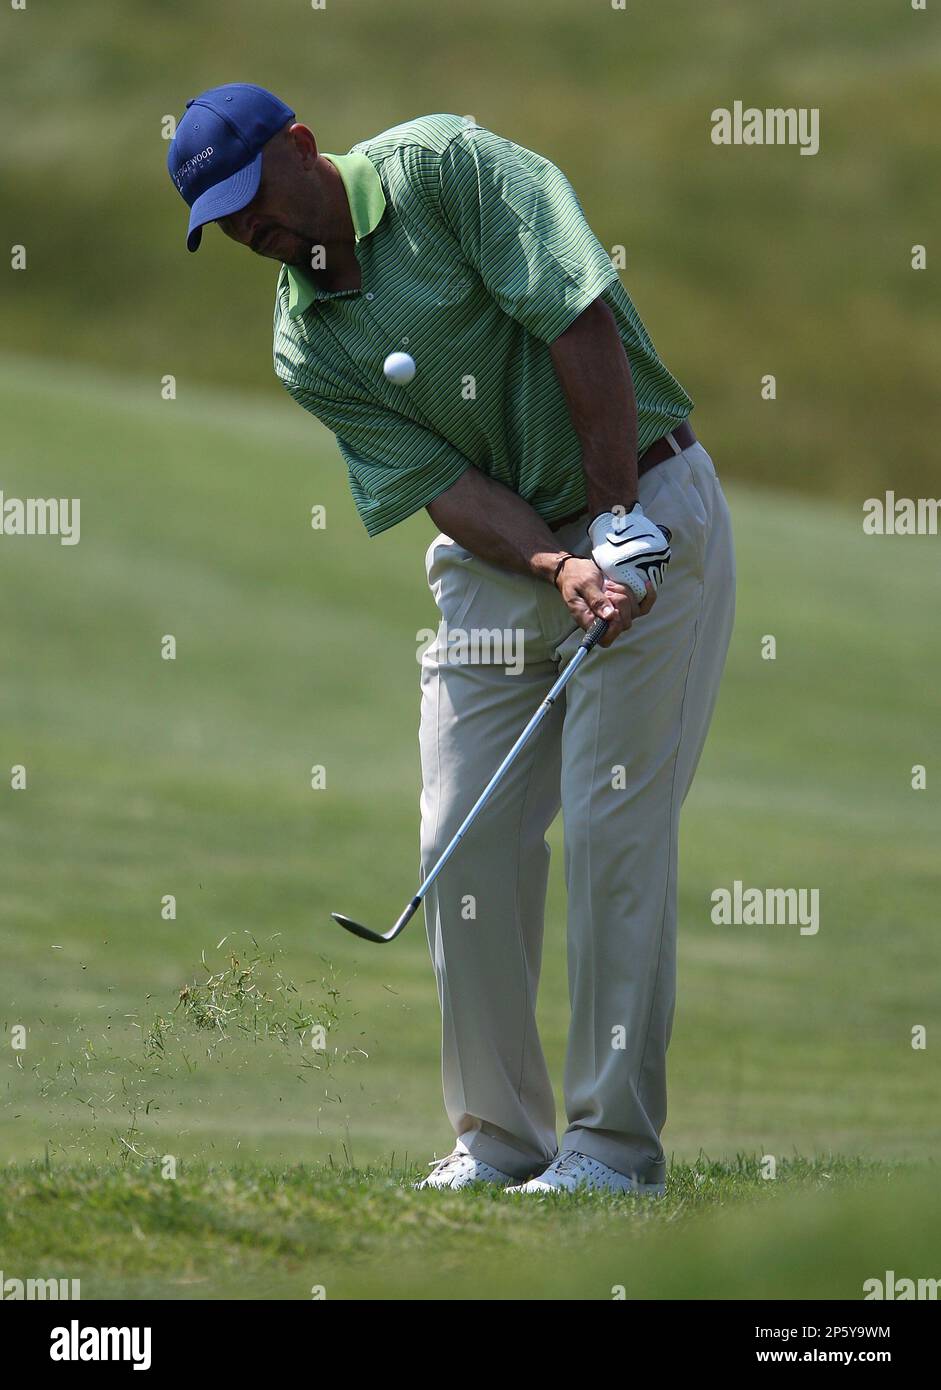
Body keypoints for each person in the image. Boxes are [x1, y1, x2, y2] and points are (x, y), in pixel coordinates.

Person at [168, 84, 735, 1195]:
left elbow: (576, 315)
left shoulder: (449, 170)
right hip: (507, 556)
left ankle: (610, 1152)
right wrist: (556, 563)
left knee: (615, 838)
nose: (250, 231)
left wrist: (614, 525)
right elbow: (439, 482)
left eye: (251, 199)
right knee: (457, 842)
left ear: (300, 146)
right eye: (224, 224)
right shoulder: (303, 337)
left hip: (644, 500)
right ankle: (497, 1139)